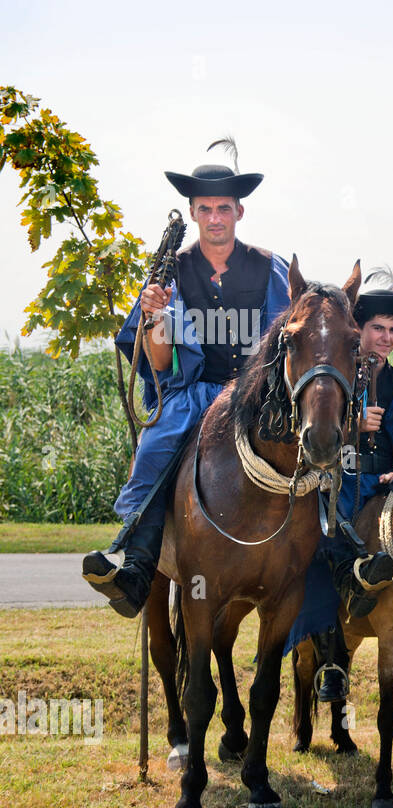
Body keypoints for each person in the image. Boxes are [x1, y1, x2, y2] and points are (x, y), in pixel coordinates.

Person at [82, 148, 289, 617]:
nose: (214, 218)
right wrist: (155, 316)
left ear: (239, 211)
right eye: (205, 209)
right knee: (157, 446)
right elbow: (157, 361)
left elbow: (285, 338)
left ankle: (329, 555)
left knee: (312, 443)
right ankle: (136, 565)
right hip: (196, 393)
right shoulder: (172, 270)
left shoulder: (268, 265)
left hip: (254, 394)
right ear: (193, 213)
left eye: (223, 208)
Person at [284, 272, 393, 702]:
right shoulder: (333, 377)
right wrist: (353, 426)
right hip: (338, 480)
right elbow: (314, 437)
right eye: (377, 328)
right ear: (358, 331)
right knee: (320, 543)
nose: (386, 338)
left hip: (383, 487)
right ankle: (329, 658)